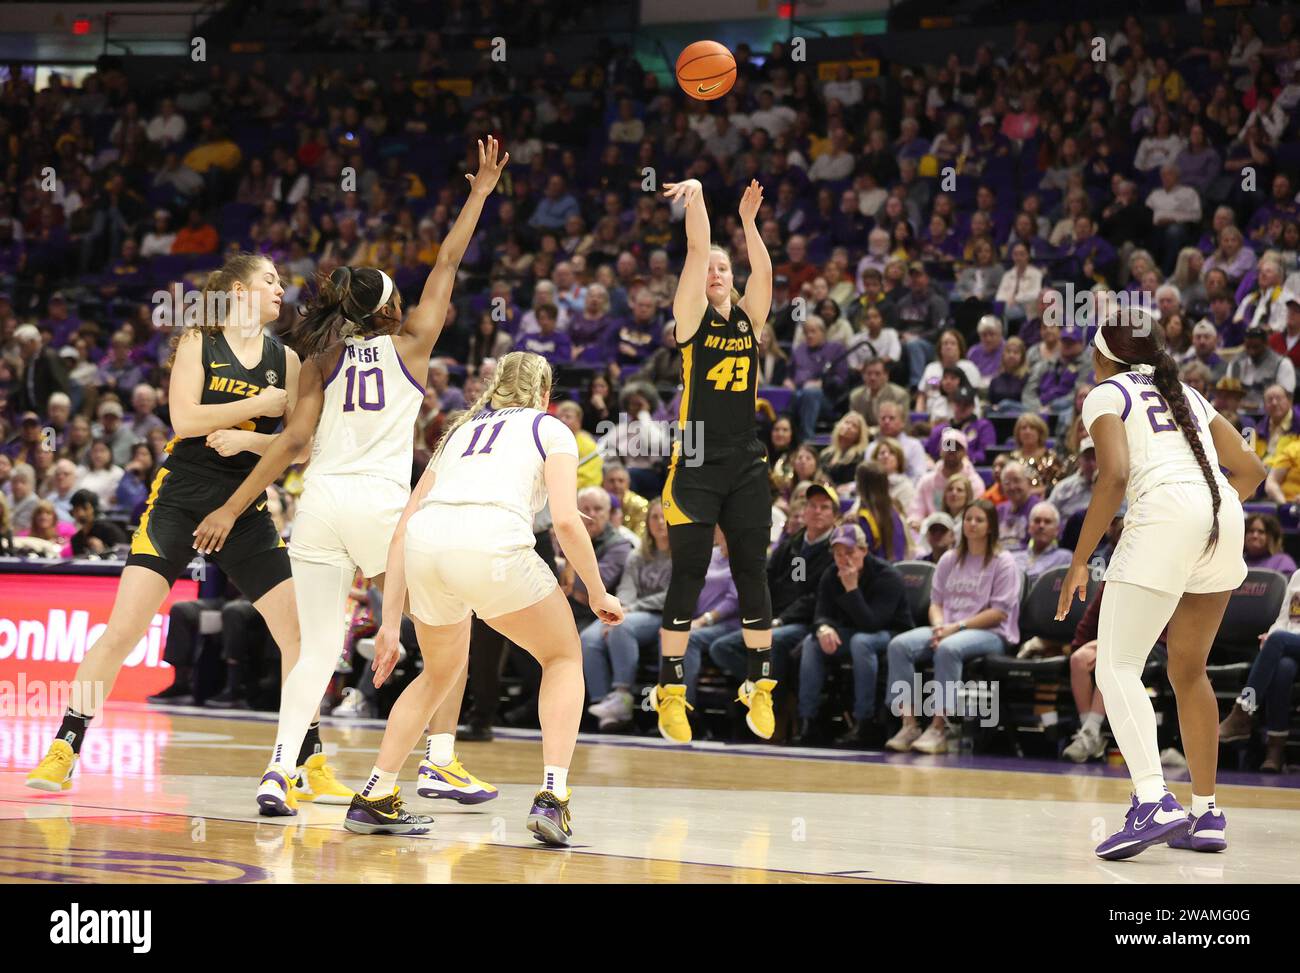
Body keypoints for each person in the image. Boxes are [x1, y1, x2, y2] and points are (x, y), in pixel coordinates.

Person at [193, 137, 507, 815]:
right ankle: (441, 761)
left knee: (313, 651)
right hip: (383, 510)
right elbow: (449, 258)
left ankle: (278, 772)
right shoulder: (416, 340)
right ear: (391, 308)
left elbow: (292, 445)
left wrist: (231, 506)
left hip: (321, 505)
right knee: (455, 623)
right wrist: (479, 191)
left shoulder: (319, 357)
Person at [25, 252, 349, 800]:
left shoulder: (288, 361)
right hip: (179, 501)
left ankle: (308, 760)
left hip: (244, 509)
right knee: (124, 630)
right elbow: (185, 420)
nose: (280, 288)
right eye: (269, 279)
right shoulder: (203, 340)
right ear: (239, 291)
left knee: (299, 634)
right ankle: (65, 746)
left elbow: (302, 448)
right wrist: (259, 403)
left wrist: (250, 439)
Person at [344, 351, 624, 843]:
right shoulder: (550, 428)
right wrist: (598, 591)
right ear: (544, 394)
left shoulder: (458, 433)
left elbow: (402, 527)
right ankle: (553, 798)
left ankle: (375, 793)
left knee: (437, 674)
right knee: (561, 657)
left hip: (427, 547)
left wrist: (391, 624)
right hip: (490, 544)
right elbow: (564, 521)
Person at [1056, 306, 1266, 860]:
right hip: (1223, 516)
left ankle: (1152, 799)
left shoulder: (1106, 393)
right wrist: (1204, 514)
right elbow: (1251, 472)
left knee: (1116, 665)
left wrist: (1080, 559)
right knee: (1188, 670)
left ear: (1103, 355)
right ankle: (1205, 811)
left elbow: (1115, 476)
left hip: (1167, 516)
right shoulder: (1188, 393)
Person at [651, 178, 778, 743]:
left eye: (725, 269)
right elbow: (698, 249)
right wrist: (700, 196)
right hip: (697, 458)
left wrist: (750, 226)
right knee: (691, 572)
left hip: (746, 457)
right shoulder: (691, 320)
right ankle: (671, 691)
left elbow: (767, 278)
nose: (717, 273)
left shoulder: (750, 318)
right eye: (711, 270)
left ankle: (760, 685)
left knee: (752, 569)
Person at [885, 499, 1021, 754]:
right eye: (968, 518)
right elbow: (935, 602)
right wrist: (939, 626)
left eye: (979, 520)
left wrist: (954, 628)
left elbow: (999, 613)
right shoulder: (949, 559)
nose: (972, 524)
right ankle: (909, 724)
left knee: (948, 648)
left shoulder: (1003, 562)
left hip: (991, 633)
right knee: (899, 645)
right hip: (947, 628)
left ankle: (940, 727)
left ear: (990, 526)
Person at [794, 523, 912, 747]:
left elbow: (872, 623)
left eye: (849, 552)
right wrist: (823, 628)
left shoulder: (888, 576)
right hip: (855, 632)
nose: (843, 559)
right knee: (812, 642)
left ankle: (864, 721)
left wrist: (852, 589)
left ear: (864, 551)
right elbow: (820, 613)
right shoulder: (831, 574)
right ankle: (808, 720)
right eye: (838, 554)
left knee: (861, 642)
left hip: (891, 634)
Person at [583, 498, 672, 729]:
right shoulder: (638, 555)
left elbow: (672, 596)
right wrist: (619, 610)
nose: (660, 522)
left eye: (665, 516)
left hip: (661, 615)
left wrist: (629, 612)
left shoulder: (684, 555)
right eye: (654, 517)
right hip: (631, 612)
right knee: (588, 638)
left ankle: (622, 694)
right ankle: (606, 709)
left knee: (622, 626)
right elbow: (626, 588)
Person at [1218, 564, 1300, 773]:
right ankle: (1275, 749)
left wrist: (1276, 639)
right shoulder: (1298, 576)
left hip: (1290, 642)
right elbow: (1283, 620)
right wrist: (1270, 635)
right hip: (1292, 647)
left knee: (1278, 640)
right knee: (1283, 669)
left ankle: (1243, 711)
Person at [68, 488, 127, 556]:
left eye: (85, 508)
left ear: (94, 508)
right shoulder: (76, 540)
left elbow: (123, 554)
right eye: (76, 509)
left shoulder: (108, 530)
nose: (81, 513)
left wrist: (103, 551)